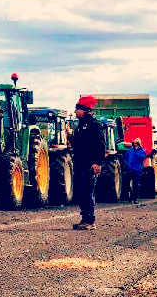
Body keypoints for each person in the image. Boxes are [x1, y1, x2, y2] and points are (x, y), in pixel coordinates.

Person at [69, 95, 106, 230]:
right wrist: (70, 136)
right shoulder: (81, 126)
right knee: (80, 191)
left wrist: (97, 162)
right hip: (80, 163)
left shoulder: (94, 125)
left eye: (77, 109)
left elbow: (100, 145)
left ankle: (90, 220)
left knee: (87, 191)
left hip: (90, 164)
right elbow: (78, 144)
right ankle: (85, 218)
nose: (75, 112)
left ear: (85, 110)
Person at [123, 137, 148, 204]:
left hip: (138, 170)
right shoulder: (130, 151)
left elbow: (142, 157)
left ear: (138, 143)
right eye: (134, 142)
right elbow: (125, 158)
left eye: (136, 143)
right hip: (130, 169)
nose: (135, 144)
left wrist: (137, 151)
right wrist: (127, 164)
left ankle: (135, 198)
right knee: (126, 183)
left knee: (136, 185)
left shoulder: (142, 151)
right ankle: (132, 195)